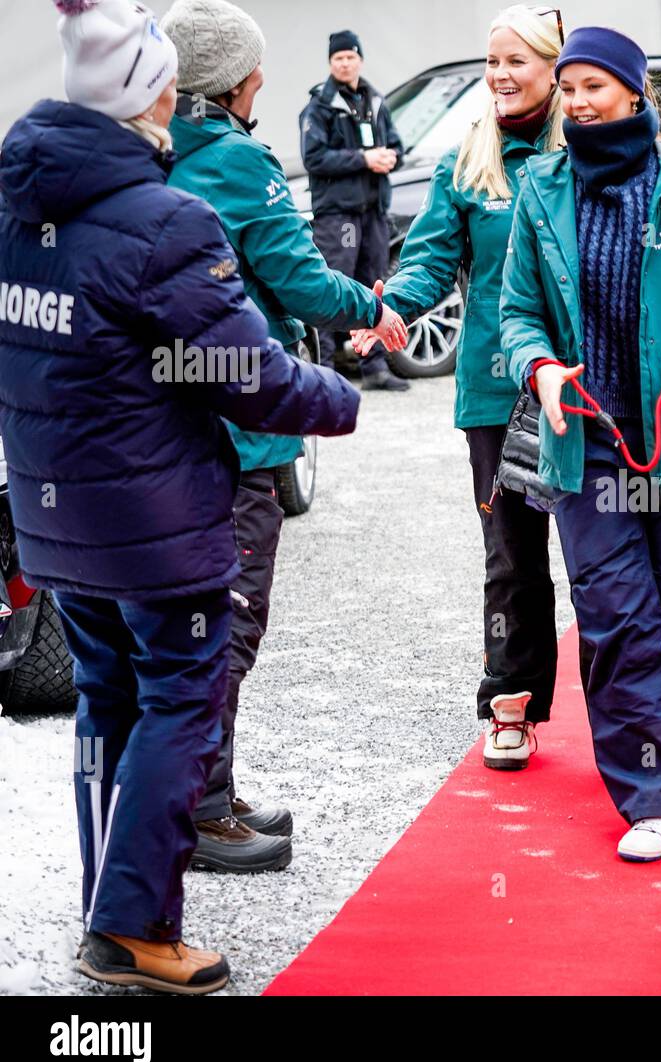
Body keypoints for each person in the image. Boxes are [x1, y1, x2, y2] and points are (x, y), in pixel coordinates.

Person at [0, 0, 360, 994]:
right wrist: (339, 398)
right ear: (148, 93)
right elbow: (249, 373)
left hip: (56, 515)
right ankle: (130, 930)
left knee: (105, 702)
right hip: (155, 523)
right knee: (177, 709)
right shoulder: (163, 221)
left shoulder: (18, 206)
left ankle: (106, 906)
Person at [498, 27, 661, 862]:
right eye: (568, 86)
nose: (577, 101)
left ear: (635, 93)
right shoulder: (539, 190)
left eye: (594, 87)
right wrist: (537, 367)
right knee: (614, 618)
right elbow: (516, 313)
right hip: (585, 447)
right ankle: (655, 792)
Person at [161, 0, 407, 872]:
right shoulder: (234, 160)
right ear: (228, 80)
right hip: (239, 431)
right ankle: (203, 808)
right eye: (253, 69)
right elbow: (299, 280)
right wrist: (373, 308)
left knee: (176, 621)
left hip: (159, 429)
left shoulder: (144, 156)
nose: (264, 79)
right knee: (228, 619)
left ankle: (198, 791)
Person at [358, 5, 564, 771]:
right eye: (493, 62)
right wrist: (388, 310)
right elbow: (429, 258)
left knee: (604, 556)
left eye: (517, 60)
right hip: (495, 390)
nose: (502, 75)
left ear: (552, 65)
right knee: (510, 555)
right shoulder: (466, 163)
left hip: (581, 388)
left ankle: (626, 712)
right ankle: (510, 703)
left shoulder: (583, 151)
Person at [301, 29, 410, 391]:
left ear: (360, 59)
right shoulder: (319, 106)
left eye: (350, 57)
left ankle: (374, 368)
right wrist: (364, 158)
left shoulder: (375, 100)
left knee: (373, 286)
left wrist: (390, 157)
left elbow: (397, 146)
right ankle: (325, 370)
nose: (345, 63)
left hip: (374, 212)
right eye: (338, 58)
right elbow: (313, 157)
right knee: (334, 287)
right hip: (338, 215)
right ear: (330, 63)